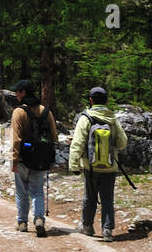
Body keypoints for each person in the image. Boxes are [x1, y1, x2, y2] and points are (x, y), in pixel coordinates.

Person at [69, 86, 128, 241]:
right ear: (106, 100)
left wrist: (74, 165)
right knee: (108, 198)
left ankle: (87, 226)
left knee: (90, 196)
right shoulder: (113, 119)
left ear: (90, 100)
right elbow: (122, 143)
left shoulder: (85, 118)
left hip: (90, 166)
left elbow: (77, 143)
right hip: (110, 166)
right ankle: (107, 230)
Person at [10, 79, 57, 237]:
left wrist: (14, 160)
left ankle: (22, 222)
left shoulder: (19, 112)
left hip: (24, 158)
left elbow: (16, 139)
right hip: (41, 158)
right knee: (37, 190)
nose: (16, 94)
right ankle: (38, 220)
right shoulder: (45, 111)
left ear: (23, 93)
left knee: (21, 191)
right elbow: (54, 135)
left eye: (17, 92)